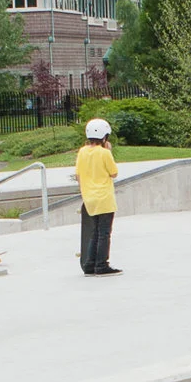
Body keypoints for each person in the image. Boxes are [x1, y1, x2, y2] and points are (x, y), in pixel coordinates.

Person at [76, 116, 120, 274]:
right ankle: (101, 264)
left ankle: (89, 264)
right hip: (104, 198)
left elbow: (78, 175)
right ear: (104, 136)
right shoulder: (104, 153)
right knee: (104, 233)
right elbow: (114, 173)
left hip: (89, 198)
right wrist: (108, 151)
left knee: (94, 232)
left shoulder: (82, 152)